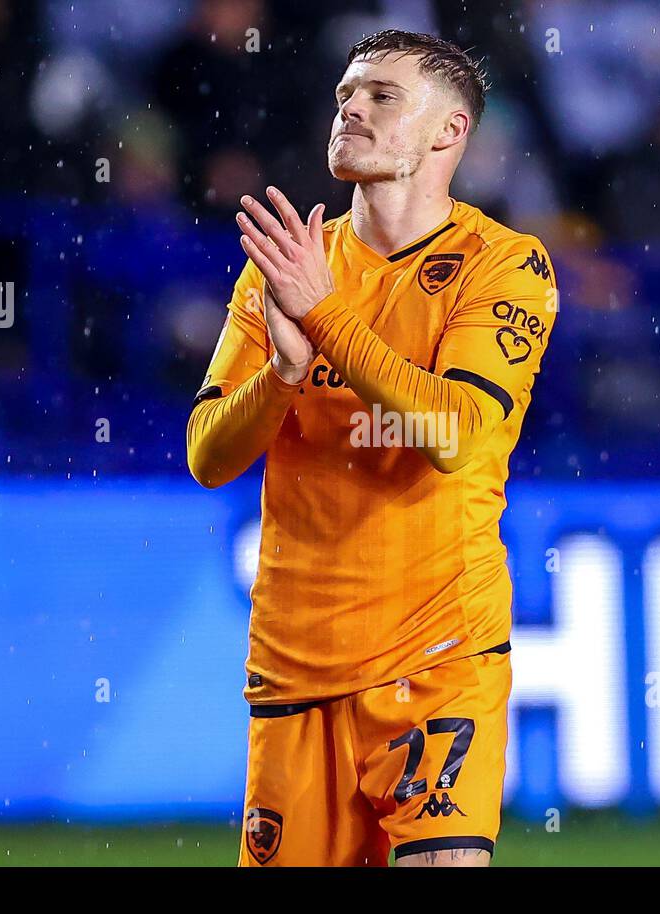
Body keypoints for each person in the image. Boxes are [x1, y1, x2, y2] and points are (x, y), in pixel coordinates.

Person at [187, 29, 557, 867]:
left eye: (382, 95)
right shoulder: (287, 268)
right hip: (297, 662)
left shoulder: (502, 266)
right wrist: (282, 376)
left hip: (440, 654)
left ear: (447, 132)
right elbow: (208, 454)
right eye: (346, 94)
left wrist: (326, 320)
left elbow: (455, 434)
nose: (351, 106)